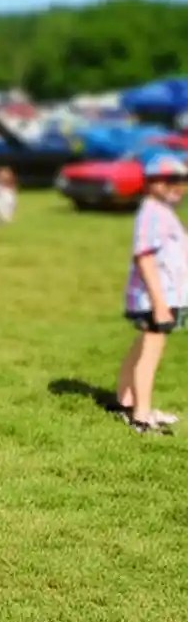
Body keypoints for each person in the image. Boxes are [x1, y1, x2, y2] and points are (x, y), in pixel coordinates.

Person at [113, 154, 188, 434]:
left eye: (181, 180)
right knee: (151, 351)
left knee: (143, 345)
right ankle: (141, 416)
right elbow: (144, 258)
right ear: (150, 183)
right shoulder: (151, 213)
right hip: (155, 297)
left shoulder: (161, 212)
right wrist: (160, 304)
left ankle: (125, 399)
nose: (177, 186)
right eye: (169, 180)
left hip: (162, 297)